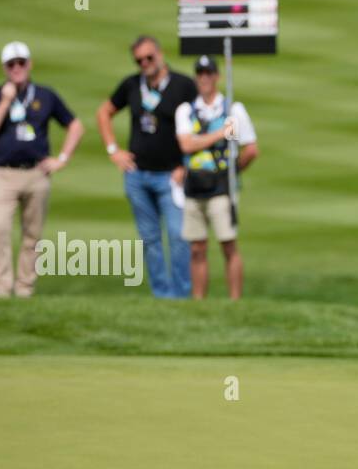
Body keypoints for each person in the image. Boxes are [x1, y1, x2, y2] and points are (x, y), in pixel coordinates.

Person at [0, 42, 84, 298]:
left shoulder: (45, 95)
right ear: (4, 68)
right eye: (11, 64)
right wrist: (5, 102)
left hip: (36, 174)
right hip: (2, 174)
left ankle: (25, 288)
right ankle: (1, 288)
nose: (17, 68)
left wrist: (62, 158)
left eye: (21, 63)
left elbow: (76, 125)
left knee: (32, 235)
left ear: (29, 64)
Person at [95, 35, 196, 298]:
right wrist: (113, 150)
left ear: (160, 54)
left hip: (171, 176)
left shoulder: (183, 85)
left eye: (149, 57)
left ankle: (182, 295)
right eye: (139, 60)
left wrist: (186, 165)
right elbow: (104, 112)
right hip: (137, 175)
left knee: (177, 236)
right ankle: (162, 294)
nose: (145, 64)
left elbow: (200, 124)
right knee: (150, 240)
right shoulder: (131, 85)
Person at [174, 55, 258, 300]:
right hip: (194, 187)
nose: (204, 78)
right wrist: (220, 133)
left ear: (217, 76)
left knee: (228, 244)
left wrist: (234, 170)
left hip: (222, 188)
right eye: (200, 74)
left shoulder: (233, 109)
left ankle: (235, 300)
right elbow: (186, 145)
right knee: (197, 247)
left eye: (209, 73)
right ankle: (199, 302)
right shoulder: (186, 110)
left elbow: (251, 149)